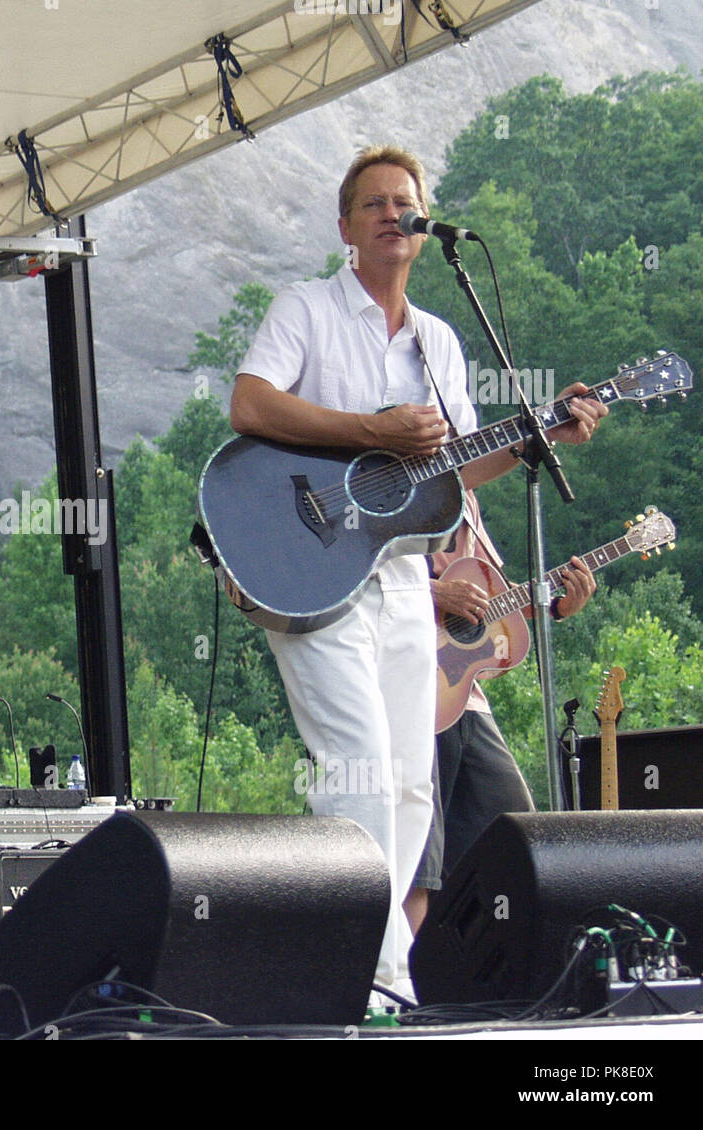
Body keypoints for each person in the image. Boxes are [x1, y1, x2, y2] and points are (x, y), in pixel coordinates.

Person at [228, 145, 606, 1000]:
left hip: (403, 583)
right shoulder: (307, 310)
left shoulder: (437, 342)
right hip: (314, 576)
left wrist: (542, 434)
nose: (393, 215)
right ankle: (357, 984)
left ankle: (383, 980)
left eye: (406, 203)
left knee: (408, 787)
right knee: (357, 767)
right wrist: (373, 432)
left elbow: (455, 473)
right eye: (375, 205)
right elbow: (249, 404)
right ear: (347, 229)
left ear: (426, 228)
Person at [409, 490, 596, 929]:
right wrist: (435, 591)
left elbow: (495, 596)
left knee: (515, 840)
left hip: (463, 696)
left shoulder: (465, 498)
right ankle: (408, 989)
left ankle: (493, 977)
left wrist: (556, 604)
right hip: (408, 690)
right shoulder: (386, 479)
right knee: (419, 856)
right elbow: (362, 577)